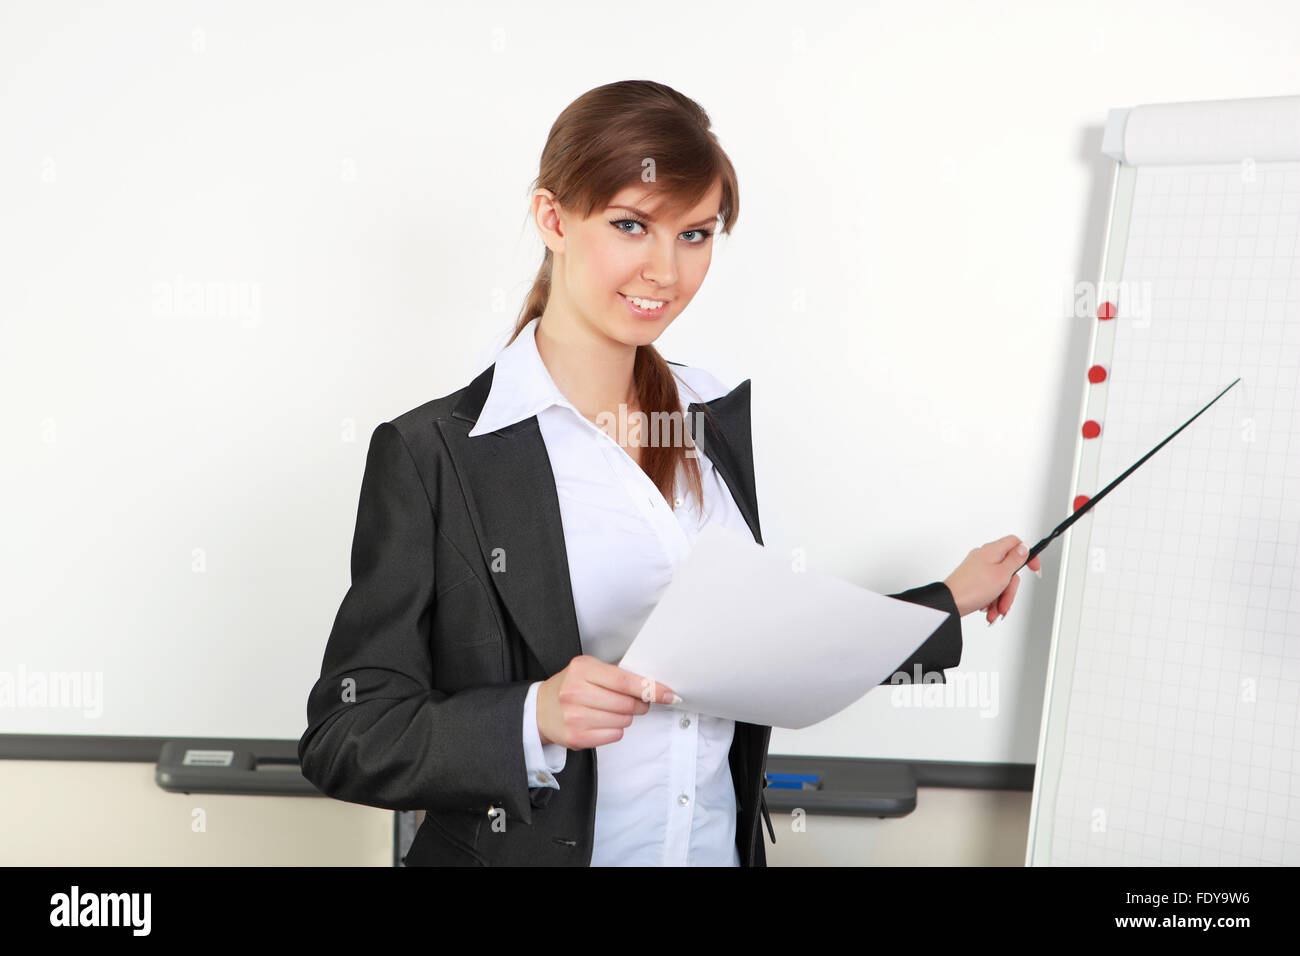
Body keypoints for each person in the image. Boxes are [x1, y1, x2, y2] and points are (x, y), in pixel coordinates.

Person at [298, 79, 1041, 867]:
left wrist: (945, 602)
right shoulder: (434, 454)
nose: (666, 270)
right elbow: (348, 733)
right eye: (630, 226)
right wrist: (533, 716)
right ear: (553, 219)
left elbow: (761, 655)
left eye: (695, 235)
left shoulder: (712, 417)